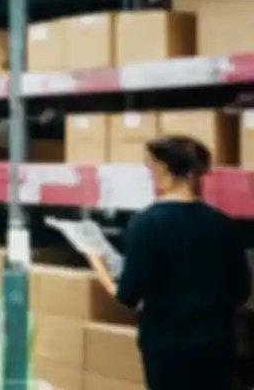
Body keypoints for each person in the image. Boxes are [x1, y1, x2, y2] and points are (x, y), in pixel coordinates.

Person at [86, 136, 251, 390]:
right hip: (217, 346)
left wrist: (98, 265)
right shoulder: (223, 224)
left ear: (164, 169)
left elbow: (128, 296)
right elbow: (241, 291)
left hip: (168, 349)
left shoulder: (146, 224)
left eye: (150, 166)